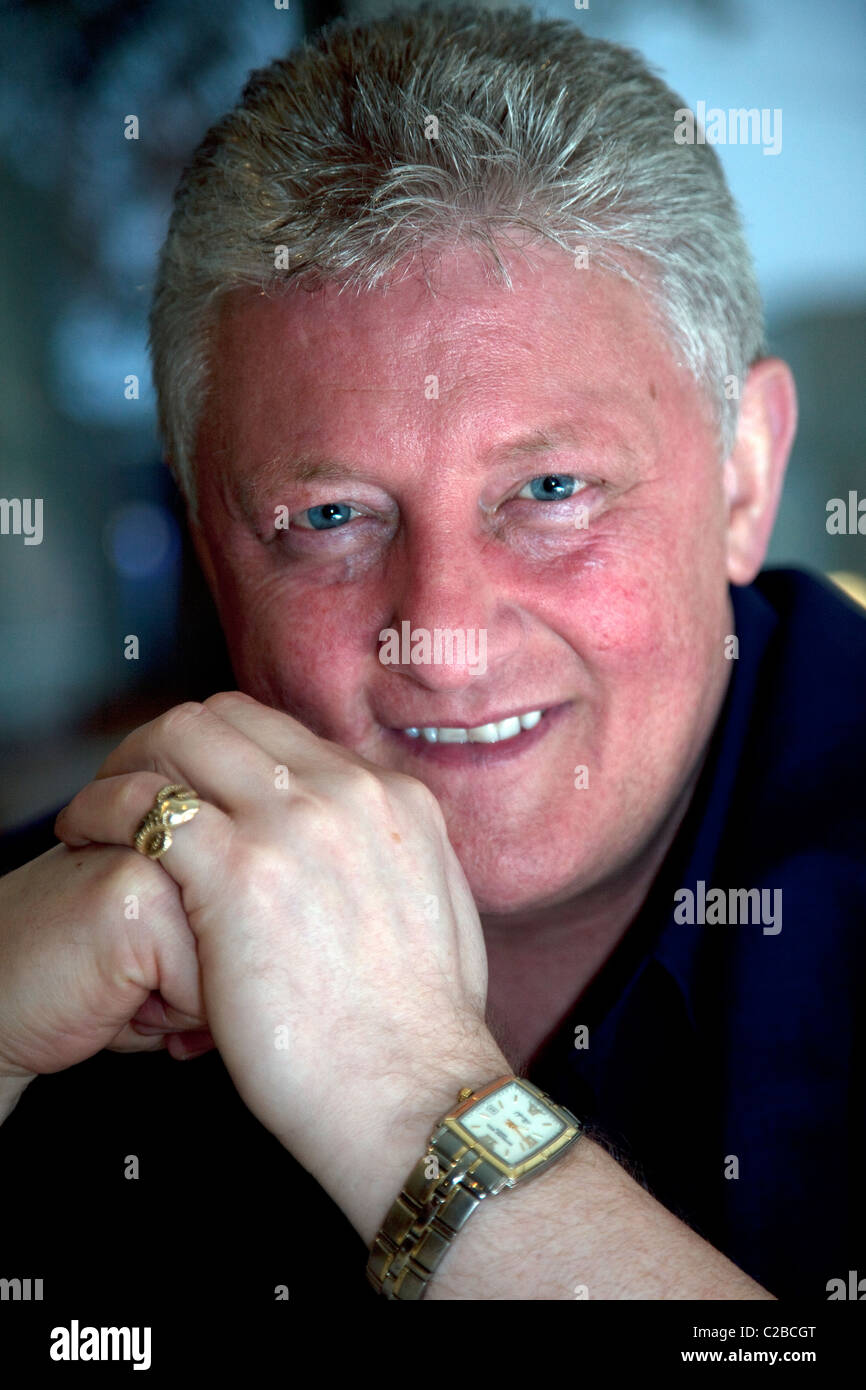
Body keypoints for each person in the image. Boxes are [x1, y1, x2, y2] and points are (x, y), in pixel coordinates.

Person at [1, 3, 863, 1305]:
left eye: (553, 487)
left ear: (743, 479)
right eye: (332, 518)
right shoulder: (58, 927)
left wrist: (411, 1102)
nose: (444, 637)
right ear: (208, 544)